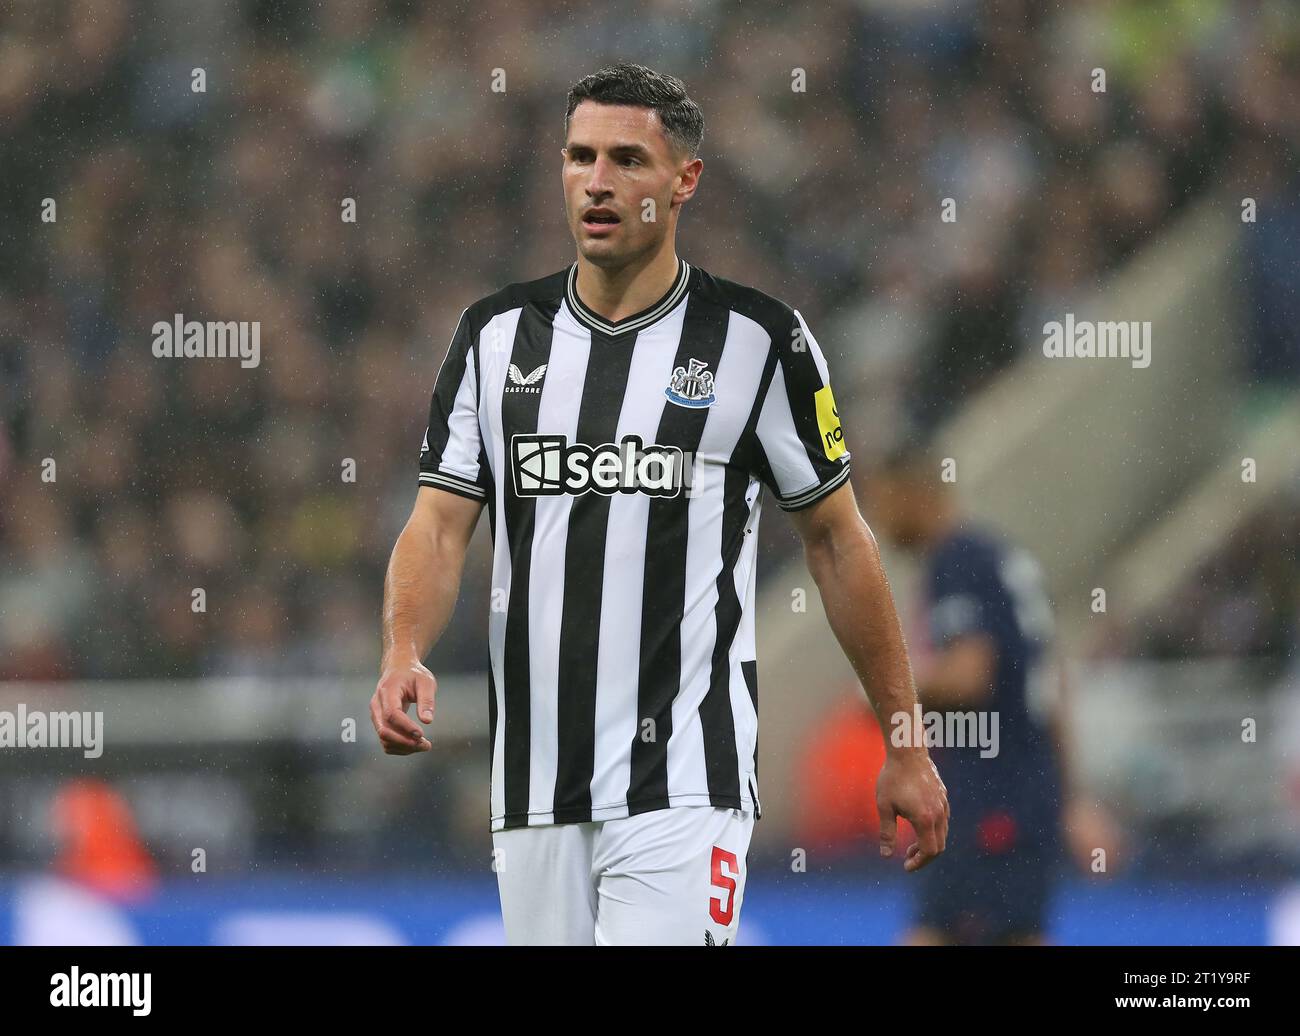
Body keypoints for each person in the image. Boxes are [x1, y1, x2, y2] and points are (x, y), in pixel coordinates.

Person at [370, 63, 947, 946]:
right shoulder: (494, 339)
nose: (597, 182)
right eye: (579, 156)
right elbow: (440, 525)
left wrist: (903, 740)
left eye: (627, 160)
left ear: (685, 180)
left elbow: (839, 542)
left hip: (687, 778)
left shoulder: (759, 342)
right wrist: (403, 647)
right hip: (533, 786)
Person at [864, 441, 1118, 944]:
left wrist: (881, 689)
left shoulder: (956, 559)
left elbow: (967, 676)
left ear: (913, 492)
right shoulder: (1001, 555)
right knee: (1017, 933)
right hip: (1029, 784)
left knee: (932, 933)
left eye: (879, 500)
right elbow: (1053, 684)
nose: (875, 519)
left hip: (986, 787)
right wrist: (1069, 796)